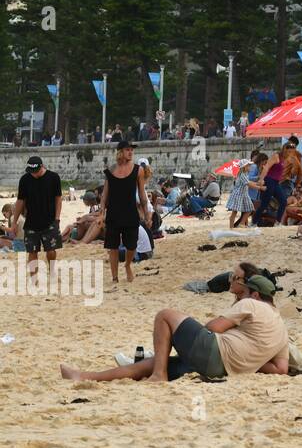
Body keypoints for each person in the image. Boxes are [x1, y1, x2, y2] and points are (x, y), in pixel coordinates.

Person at [60, 270, 289, 383]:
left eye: (245, 291)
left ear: (256, 294)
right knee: (153, 362)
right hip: (222, 369)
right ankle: (85, 376)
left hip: (214, 352)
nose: (241, 295)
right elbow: (281, 369)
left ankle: (159, 375)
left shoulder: (251, 304)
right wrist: (249, 361)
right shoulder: (282, 331)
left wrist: (232, 337)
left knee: (165, 315)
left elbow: (214, 327)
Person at [100, 142, 149, 284]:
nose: (131, 152)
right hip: (113, 213)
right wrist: (101, 212)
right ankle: (114, 277)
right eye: (128, 150)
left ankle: (127, 265)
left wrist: (146, 215)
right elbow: (104, 194)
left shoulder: (138, 170)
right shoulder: (110, 170)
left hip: (130, 213)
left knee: (131, 245)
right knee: (113, 247)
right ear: (120, 152)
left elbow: (142, 194)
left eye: (132, 150)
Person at [11, 155, 63, 274]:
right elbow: (20, 201)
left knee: (51, 251)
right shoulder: (24, 179)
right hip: (31, 222)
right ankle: (33, 278)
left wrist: (57, 218)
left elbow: (58, 200)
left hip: (50, 221)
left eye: (36, 171)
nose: (33, 174)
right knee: (32, 251)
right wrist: (14, 222)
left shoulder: (53, 177)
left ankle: (52, 270)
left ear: (42, 167)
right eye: (31, 172)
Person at [252, 148, 287, 224]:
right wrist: (261, 179)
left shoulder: (285, 159)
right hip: (269, 180)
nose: (290, 153)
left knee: (283, 201)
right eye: (289, 151)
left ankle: (277, 222)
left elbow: (279, 172)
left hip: (276, 182)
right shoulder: (276, 156)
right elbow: (266, 167)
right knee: (265, 203)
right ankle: (254, 222)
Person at [226, 158, 258, 228]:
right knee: (235, 212)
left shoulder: (245, 174)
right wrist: (259, 187)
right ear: (244, 167)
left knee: (249, 209)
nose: (250, 167)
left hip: (244, 195)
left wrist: (257, 184)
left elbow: (249, 182)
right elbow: (249, 184)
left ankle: (242, 223)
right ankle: (232, 227)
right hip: (238, 195)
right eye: (248, 166)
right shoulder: (242, 175)